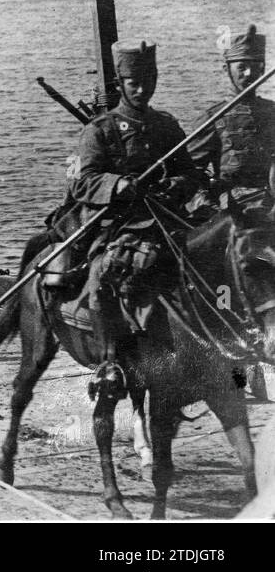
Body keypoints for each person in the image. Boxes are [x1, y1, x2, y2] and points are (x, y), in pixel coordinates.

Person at [56, 40, 204, 371]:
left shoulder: (166, 125)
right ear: (120, 85)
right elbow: (81, 182)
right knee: (102, 274)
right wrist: (118, 185)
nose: (141, 89)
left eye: (147, 81)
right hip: (117, 223)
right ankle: (110, 364)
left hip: (166, 218)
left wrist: (176, 185)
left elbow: (190, 173)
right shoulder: (100, 130)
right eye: (133, 83)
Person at [188, 24, 275, 218]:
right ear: (226, 69)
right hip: (235, 209)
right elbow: (190, 172)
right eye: (241, 67)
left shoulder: (272, 111)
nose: (248, 74)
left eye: (255, 67)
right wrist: (209, 207)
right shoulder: (213, 117)